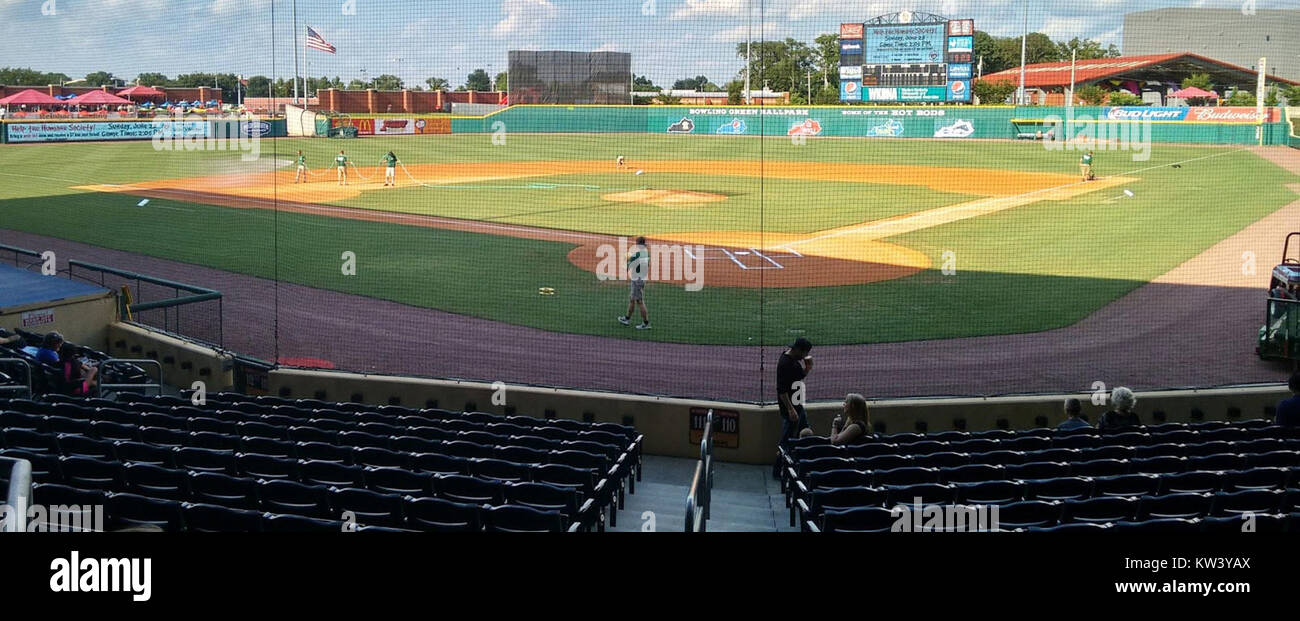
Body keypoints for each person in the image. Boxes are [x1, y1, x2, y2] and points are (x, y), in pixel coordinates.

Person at [773, 337, 813, 477]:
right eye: (804, 352)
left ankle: (805, 465)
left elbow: (798, 376)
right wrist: (790, 409)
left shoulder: (793, 361)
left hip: (798, 405)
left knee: (806, 433)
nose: (804, 356)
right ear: (797, 350)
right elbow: (781, 390)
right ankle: (778, 470)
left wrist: (807, 368)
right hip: (792, 408)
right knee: (786, 440)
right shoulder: (785, 363)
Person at [618, 236, 651, 330]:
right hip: (641, 278)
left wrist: (626, 259)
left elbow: (627, 266)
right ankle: (627, 318)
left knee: (639, 301)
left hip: (637, 280)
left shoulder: (638, 254)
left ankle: (646, 323)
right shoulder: (646, 253)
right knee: (632, 299)